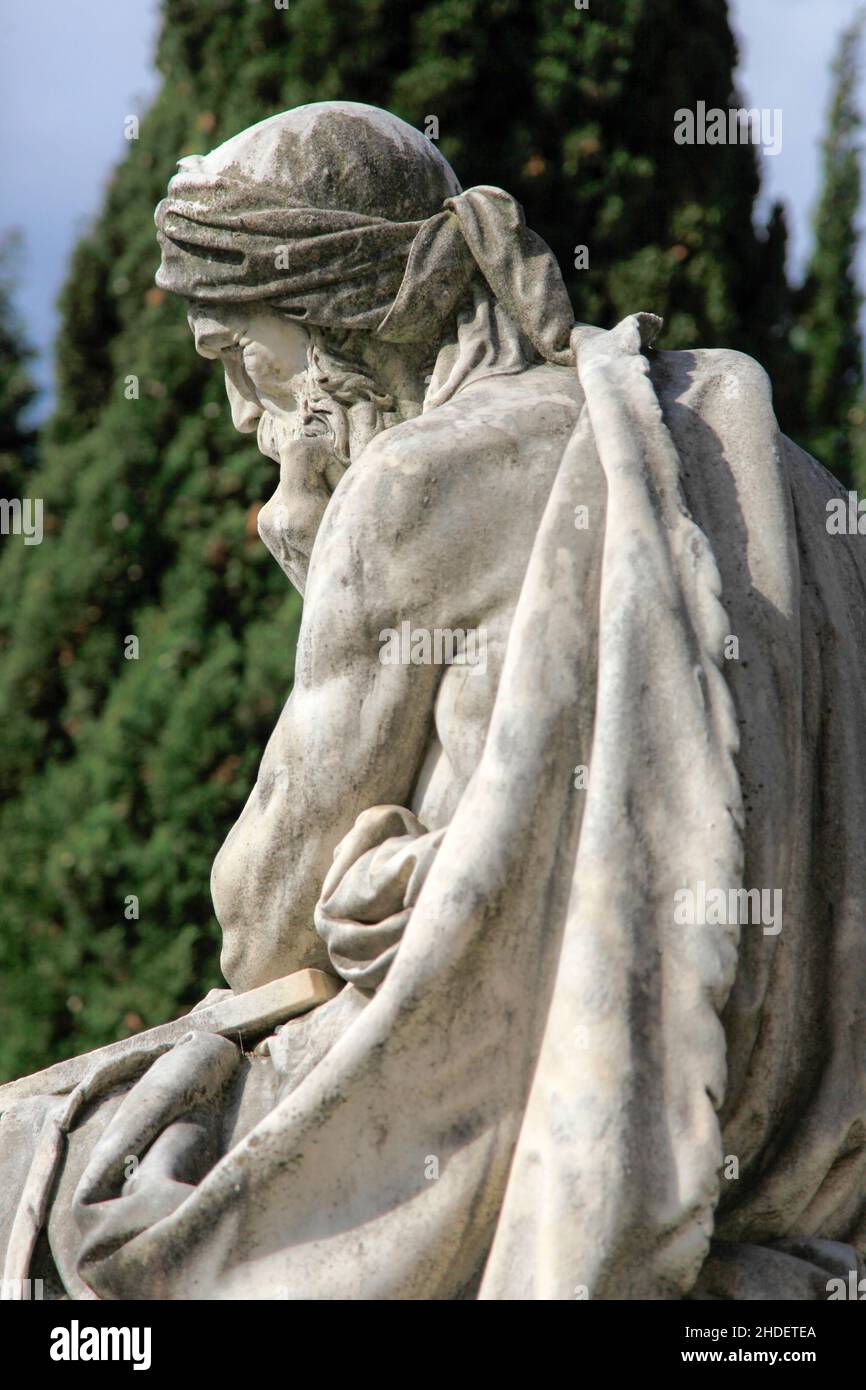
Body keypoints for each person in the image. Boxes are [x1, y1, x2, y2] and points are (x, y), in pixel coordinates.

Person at [1, 101, 865, 1301]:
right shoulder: (768, 465)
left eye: (246, 361)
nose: (250, 420)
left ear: (344, 320)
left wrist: (326, 566)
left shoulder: (412, 481)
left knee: (28, 1164)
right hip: (794, 1164)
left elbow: (259, 924)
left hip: (479, 1128)